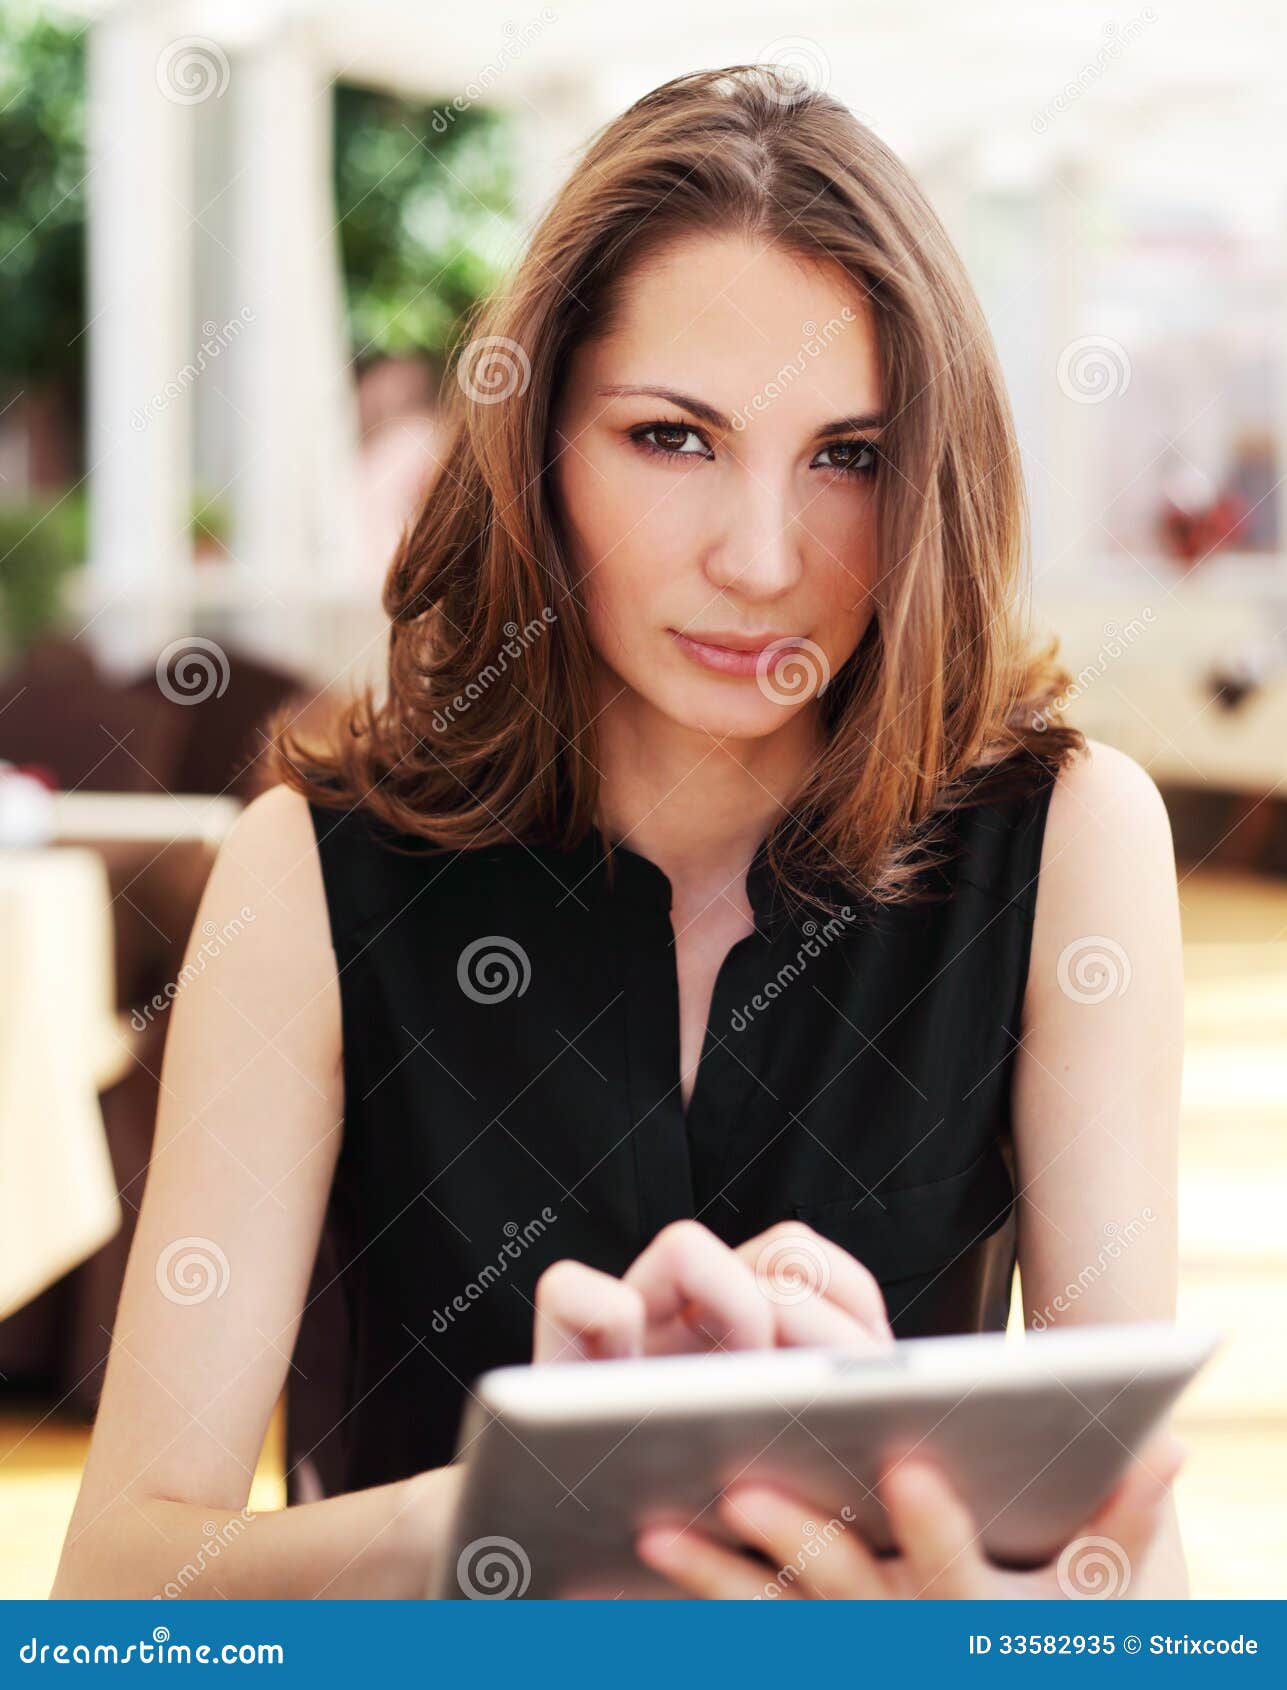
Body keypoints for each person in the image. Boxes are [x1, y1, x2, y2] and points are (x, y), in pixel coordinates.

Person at [53, 64, 1186, 1600]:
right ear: (541, 447)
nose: (765, 559)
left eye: (847, 456)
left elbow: (1138, 1577)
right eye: (673, 437)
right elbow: (115, 1593)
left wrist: (982, 1622)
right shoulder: (313, 871)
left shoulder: (1066, 843)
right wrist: (507, 1513)